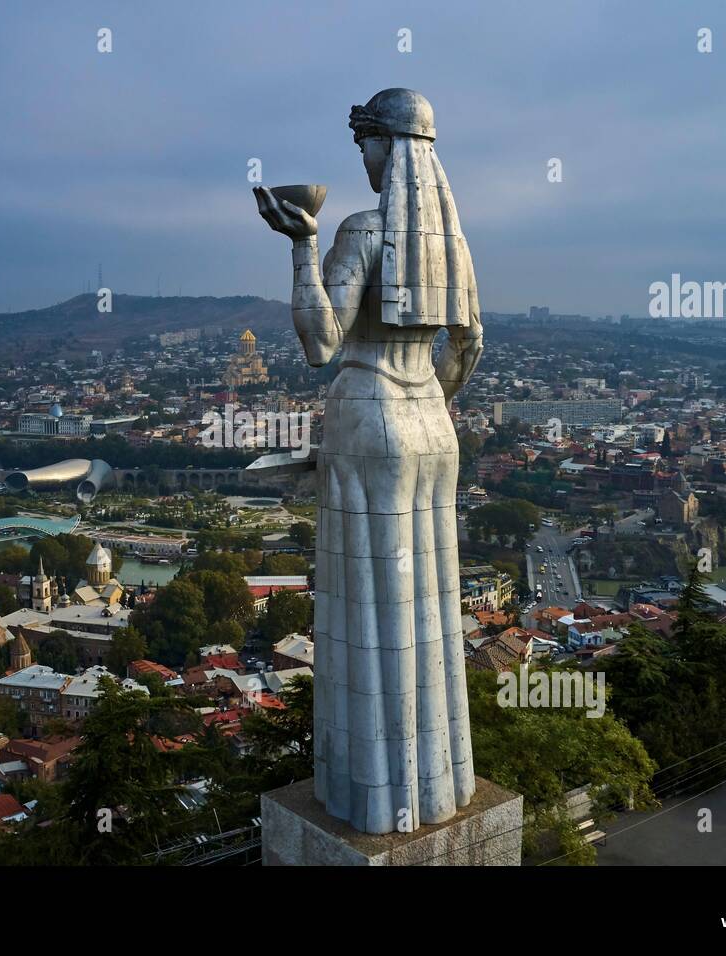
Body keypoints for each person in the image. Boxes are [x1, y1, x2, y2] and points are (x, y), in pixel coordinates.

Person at [254, 89, 483, 834]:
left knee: (370, 603)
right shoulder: (452, 243)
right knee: (429, 603)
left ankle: (375, 802)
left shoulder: (362, 229)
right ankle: (438, 787)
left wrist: (299, 245)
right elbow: (468, 345)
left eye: (367, 142)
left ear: (392, 146)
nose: (363, 156)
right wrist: (428, 400)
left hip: (369, 414)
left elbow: (321, 342)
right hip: (432, 424)